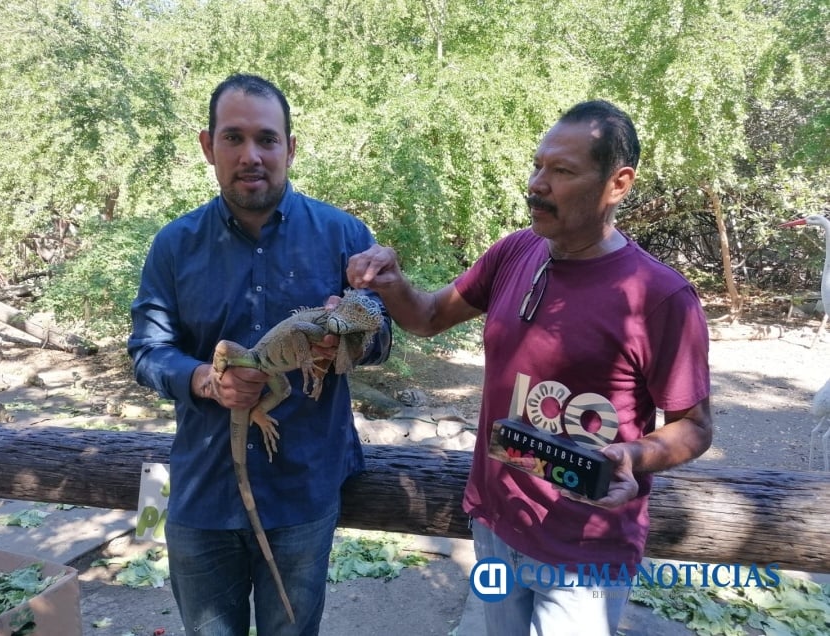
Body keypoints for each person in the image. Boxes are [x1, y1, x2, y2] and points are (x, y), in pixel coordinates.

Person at [347, 100, 712, 636]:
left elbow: (695, 427)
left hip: (584, 546)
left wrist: (635, 456)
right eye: (538, 166)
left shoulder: (659, 297)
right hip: (496, 522)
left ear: (618, 184)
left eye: (561, 171)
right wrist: (391, 280)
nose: (538, 183)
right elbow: (425, 317)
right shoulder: (516, 252)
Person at [128, 73, 391, 636]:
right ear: (208, 146)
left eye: (267, 139)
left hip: (305, 490)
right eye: (233, 138)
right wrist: (204, 378)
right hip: (203, 491)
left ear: (290, 149)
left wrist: (347, 339)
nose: (252, 155)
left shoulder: (344, 234)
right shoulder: (173, 245)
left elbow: (382, 335)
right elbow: (146, 350)